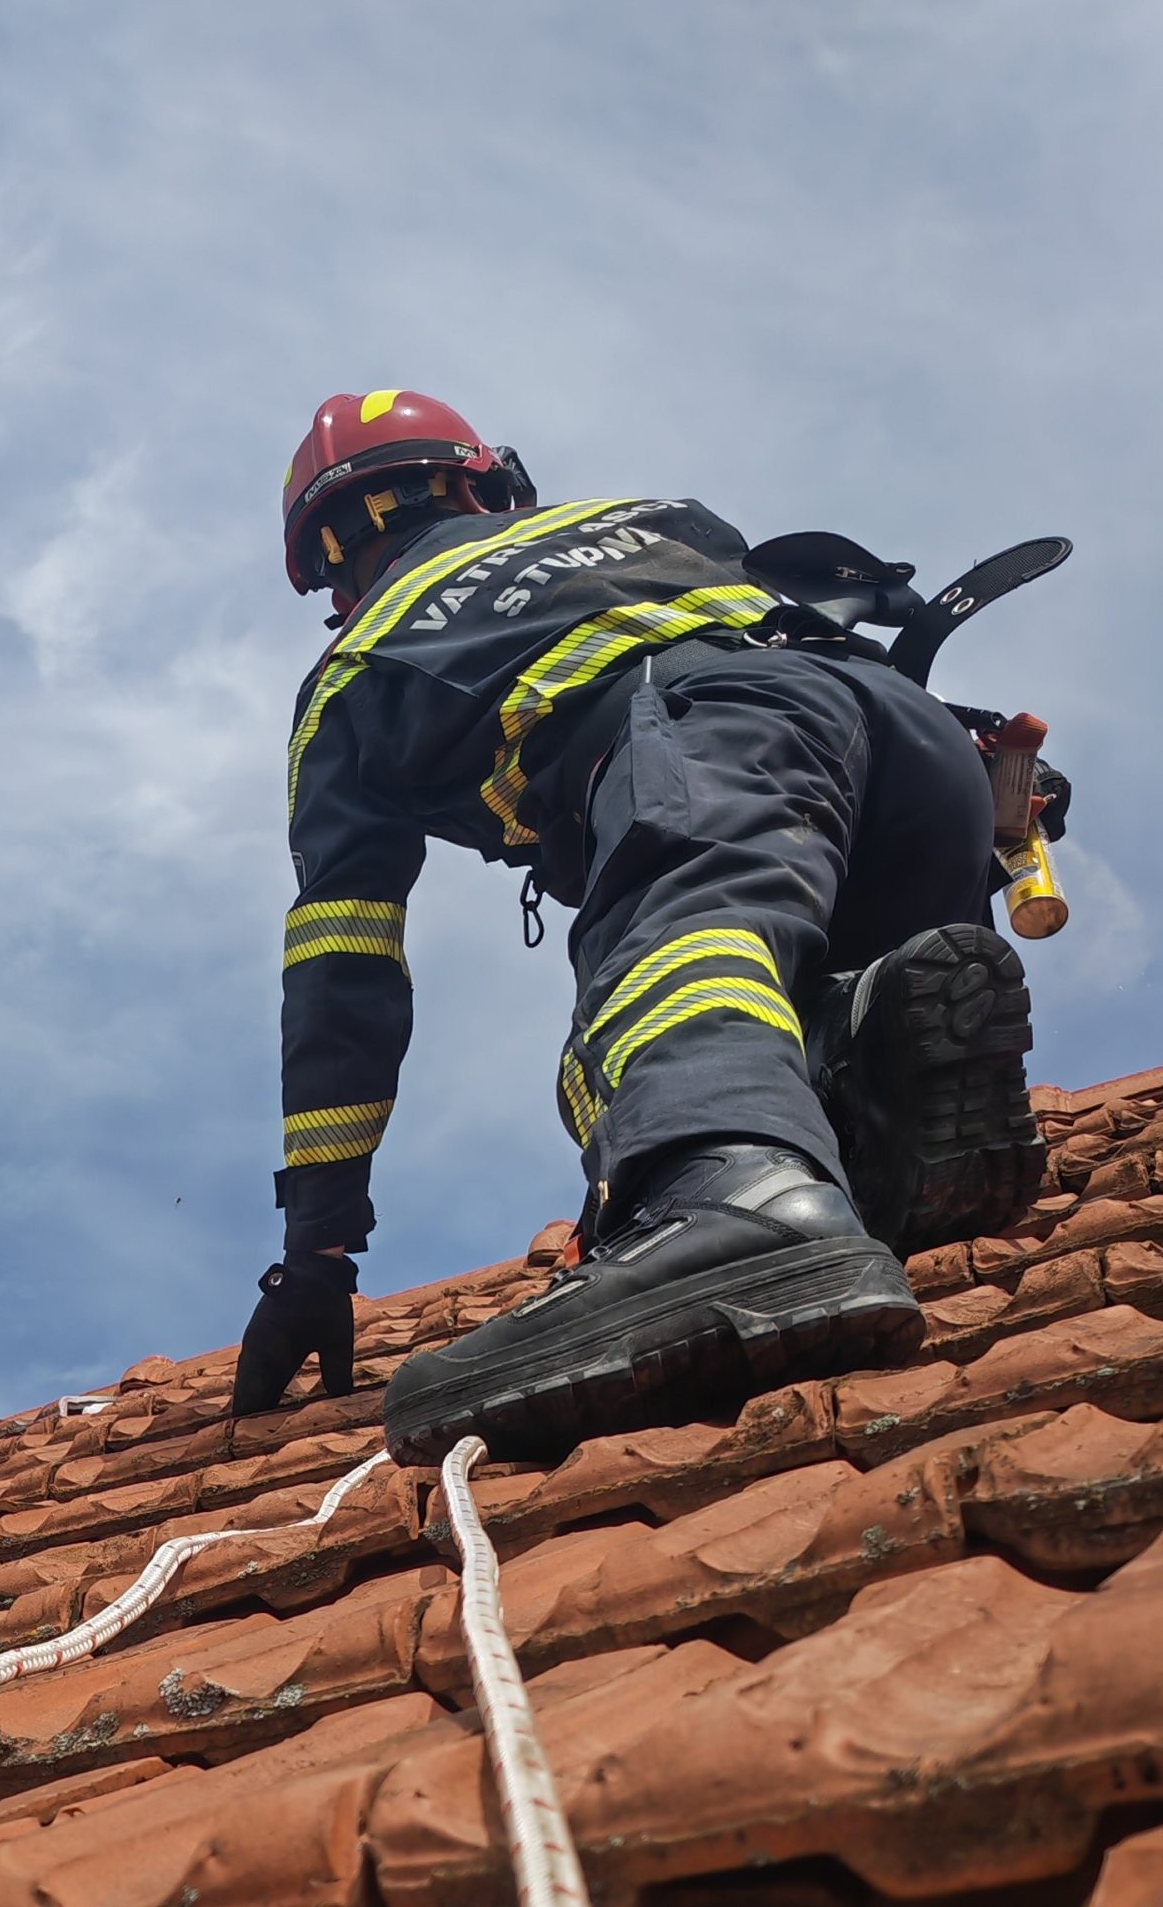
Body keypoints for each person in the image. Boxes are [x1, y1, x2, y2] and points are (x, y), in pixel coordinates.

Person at [233, 389, 1045, 1463]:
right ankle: (860, 1073)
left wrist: (318, 1252)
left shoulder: (348, 679)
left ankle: (728, 1185)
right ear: (486, 484)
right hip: (913, 749)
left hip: (708, 745)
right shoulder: (660, 519)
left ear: (334, 578)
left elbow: (341, 977)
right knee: (779, 985)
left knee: (661, 970)